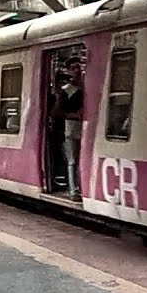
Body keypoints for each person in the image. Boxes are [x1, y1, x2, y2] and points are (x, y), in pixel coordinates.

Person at [59, 57, 84, 197]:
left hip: (83, 128)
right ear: (68, 70)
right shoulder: (66, 90)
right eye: (73, 67)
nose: (77, 70)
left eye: (78, 67)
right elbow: (58, 112)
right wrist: (75, 115)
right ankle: (73, 189)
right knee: (72, 159)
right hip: (71, 128)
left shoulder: (84, 88)